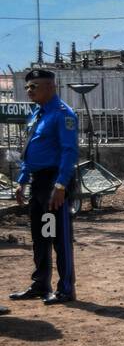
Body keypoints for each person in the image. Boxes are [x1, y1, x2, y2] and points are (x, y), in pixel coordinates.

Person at [9, 69, 78, 305]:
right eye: (28, 87)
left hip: (53, 182)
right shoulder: (37, 114)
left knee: (59, 237)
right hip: (38, 183)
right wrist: (22, 180)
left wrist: (60, 185)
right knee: (41, 236)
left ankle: (66, 289)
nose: (29, 91)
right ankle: (41, 284)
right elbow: (30, 150)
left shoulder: (62, 115)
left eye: (34, 86)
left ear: (50, 86)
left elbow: (69, 152)